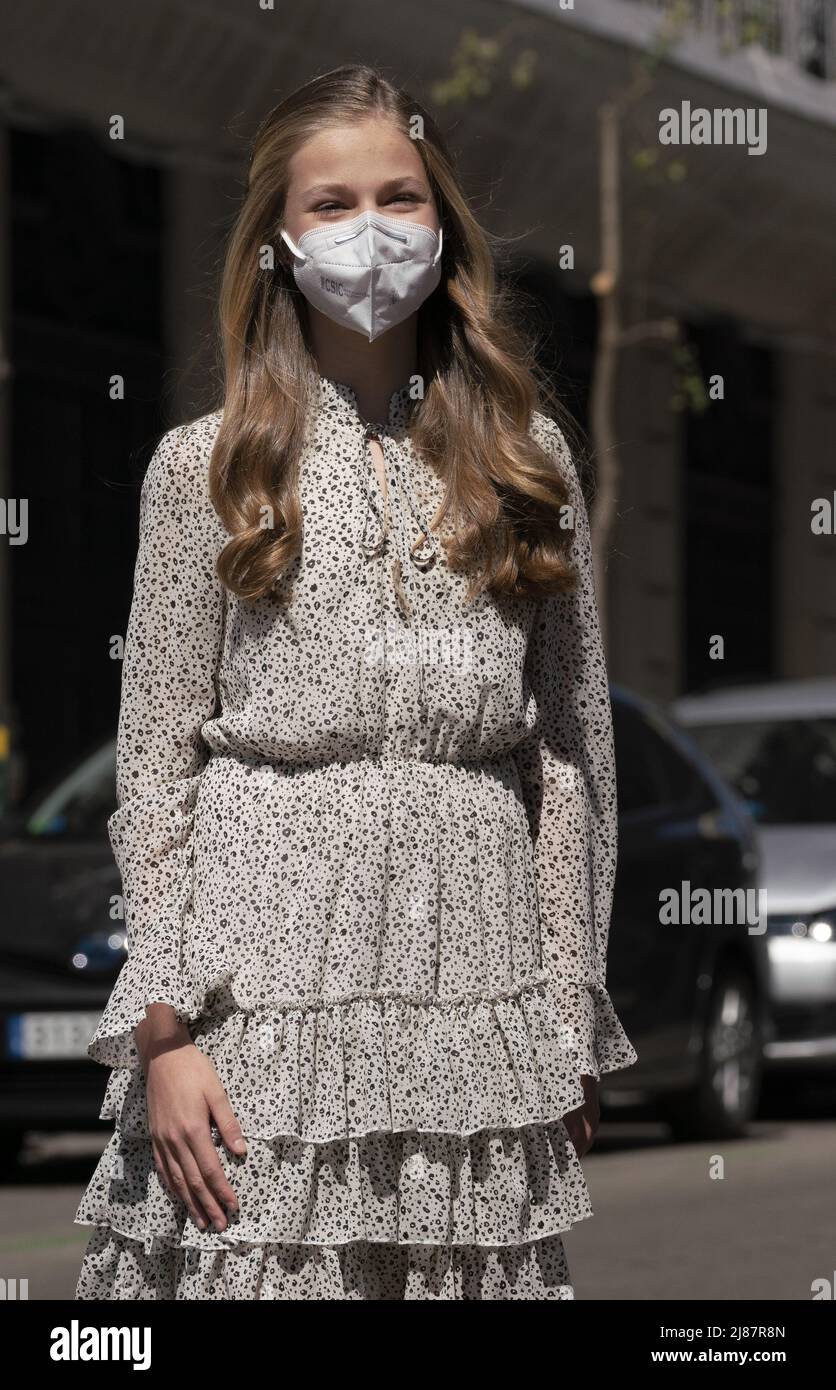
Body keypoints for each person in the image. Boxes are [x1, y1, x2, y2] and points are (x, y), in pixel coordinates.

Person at [74, 63, 637, 1301]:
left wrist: (564, 1003)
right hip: (259, 986)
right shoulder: (205, 467)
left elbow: (570, 755)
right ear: (275, 241)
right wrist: (163, 1031)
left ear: (444, 223)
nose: (370, 228)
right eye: (330, 205)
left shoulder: (527, 460)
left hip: (473, 983)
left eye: (400, 196)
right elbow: (157, 766)